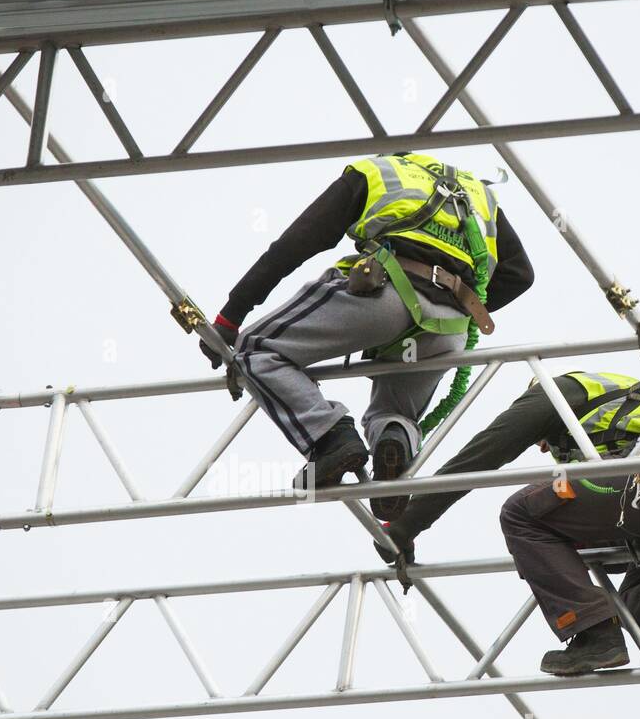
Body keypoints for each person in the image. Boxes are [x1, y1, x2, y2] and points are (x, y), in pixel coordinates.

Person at [199, 152, 534, 511]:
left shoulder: (379, 171)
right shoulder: (476, 193)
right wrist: (461, 308)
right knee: (396, 414)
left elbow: (297, 243)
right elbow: (519, 274)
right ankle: (395, 444)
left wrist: (231, 316)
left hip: (381, 298)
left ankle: (331, 437)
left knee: (254, 350)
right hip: (447, 329)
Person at [376, 372, 640, 675]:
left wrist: (408, 524)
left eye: (540, 442)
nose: (543, 448)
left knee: (522, 513)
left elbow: (480, 456)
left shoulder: (558, 389)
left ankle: (595, 632)